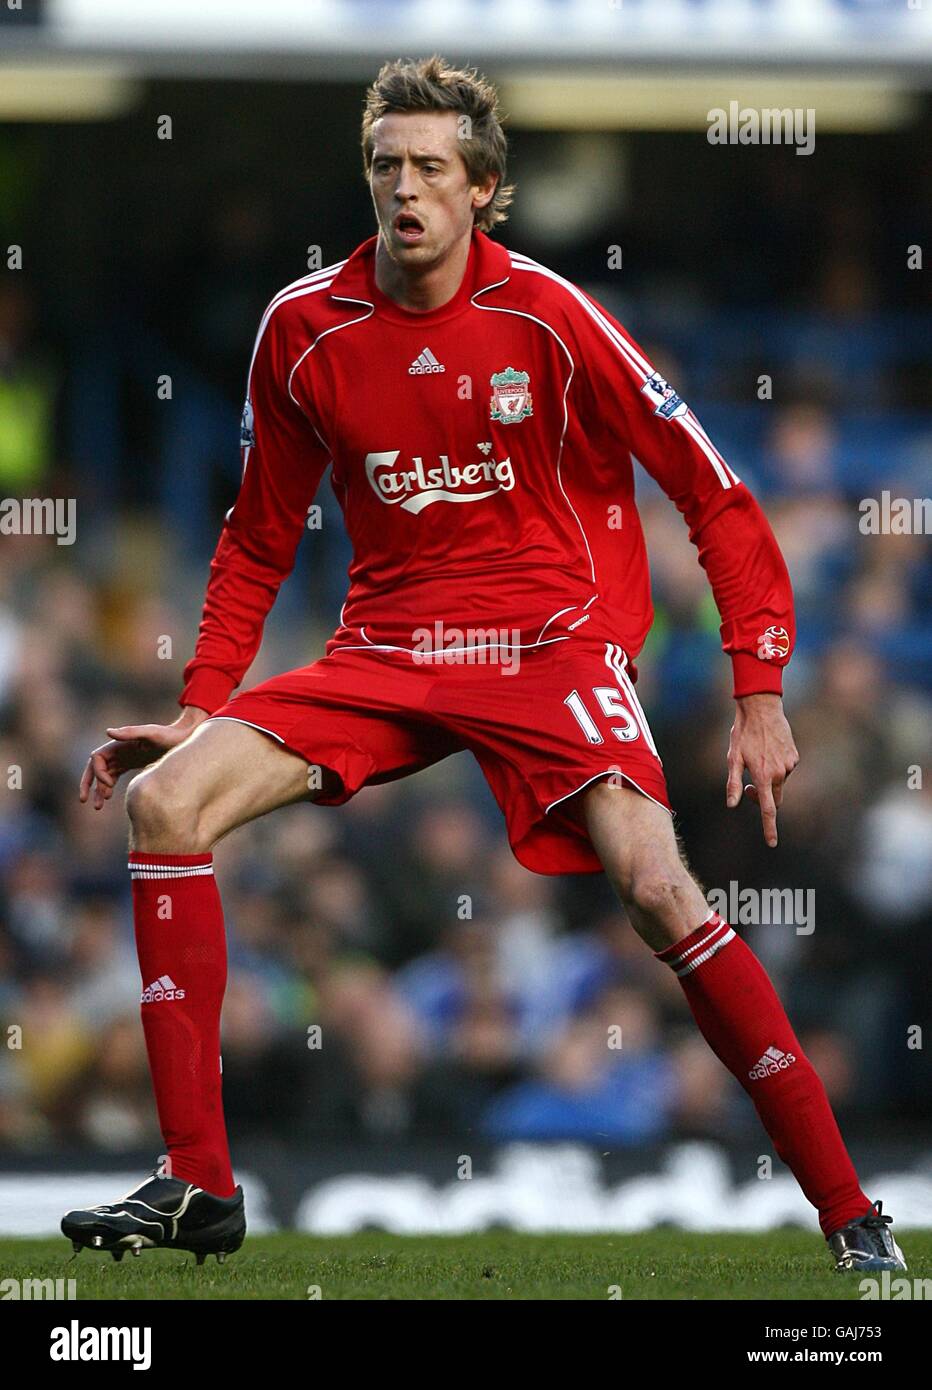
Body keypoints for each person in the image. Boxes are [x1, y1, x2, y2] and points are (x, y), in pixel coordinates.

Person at [63, 56, 904, 1275]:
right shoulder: (302, 330)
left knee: (660, 895)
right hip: (384, 648)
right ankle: (199, 1183)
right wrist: (198, 709)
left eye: (430, 170)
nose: (403, 189)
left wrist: (758, 688)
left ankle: (847, 1212)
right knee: (163, 801)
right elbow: (254, 537)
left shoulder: (550, 317)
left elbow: (712, 495)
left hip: (543, 642)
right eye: (384, 166)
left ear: (483, 191)